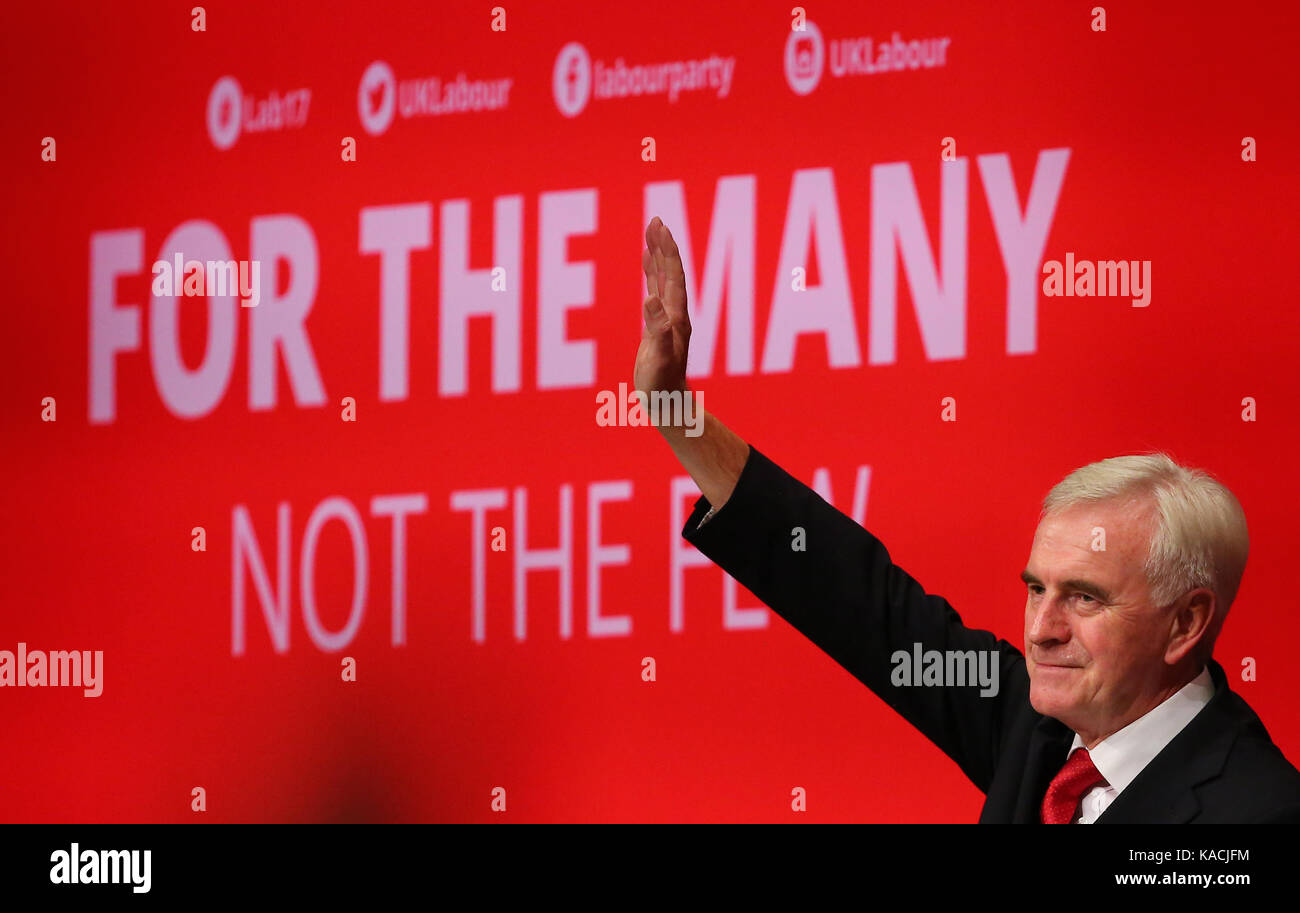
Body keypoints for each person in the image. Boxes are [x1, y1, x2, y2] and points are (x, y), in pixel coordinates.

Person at [635, 216, 1300, 822]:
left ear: (1185, 622)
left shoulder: (1257, 809)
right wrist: (676, 415)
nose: (1041, 629)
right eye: (1036, 588)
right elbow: (863, 607)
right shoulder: (1034, 726)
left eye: (1084, 597)